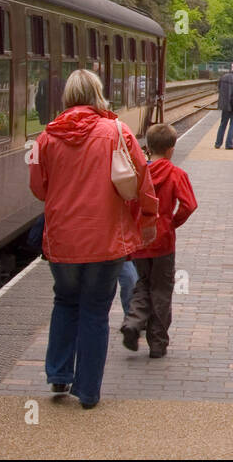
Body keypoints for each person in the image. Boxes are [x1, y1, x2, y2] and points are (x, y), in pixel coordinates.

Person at [29, 69, 158, 409]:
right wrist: (148, 217)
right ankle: (87, 392)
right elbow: (143, 179)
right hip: (106, 239)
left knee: (65, 302)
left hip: (62, 240)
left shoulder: (46, 138)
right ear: (98, 93)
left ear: (67, 95)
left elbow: (38, 188)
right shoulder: (116, 131)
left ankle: (58, 375)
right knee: (96, 312)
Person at [121, 123, 197, 358]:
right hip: (163, 240)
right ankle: (157, 342)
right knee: (162, 290)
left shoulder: (137, 175)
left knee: (142, 284)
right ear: (171, 149)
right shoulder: (176, 174)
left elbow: (126, 203)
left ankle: (133, 322)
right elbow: (189, 205)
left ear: (147, 147)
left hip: (140, 241)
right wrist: (172, 222)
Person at [214, 62, 233, 150]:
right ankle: (229, 144)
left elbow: (219, 88)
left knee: (222, 124)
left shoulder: (223, 77)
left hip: (224, 105)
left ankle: (218, 143)